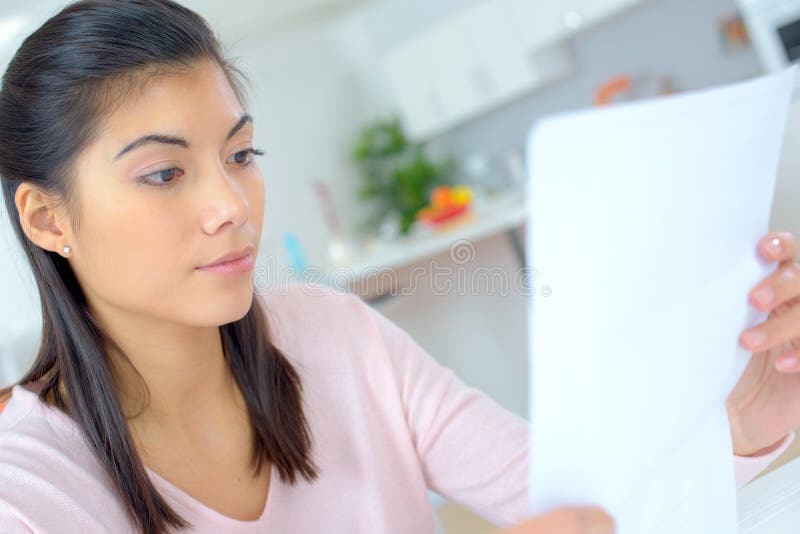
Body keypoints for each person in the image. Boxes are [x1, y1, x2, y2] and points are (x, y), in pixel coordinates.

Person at [0, 1, 797, 533]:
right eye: (165, 173)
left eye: (241, 155)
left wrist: (743, 422)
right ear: (48, 218)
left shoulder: (333, 335)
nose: (232, 204)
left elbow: (573, 497)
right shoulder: (29, 488)